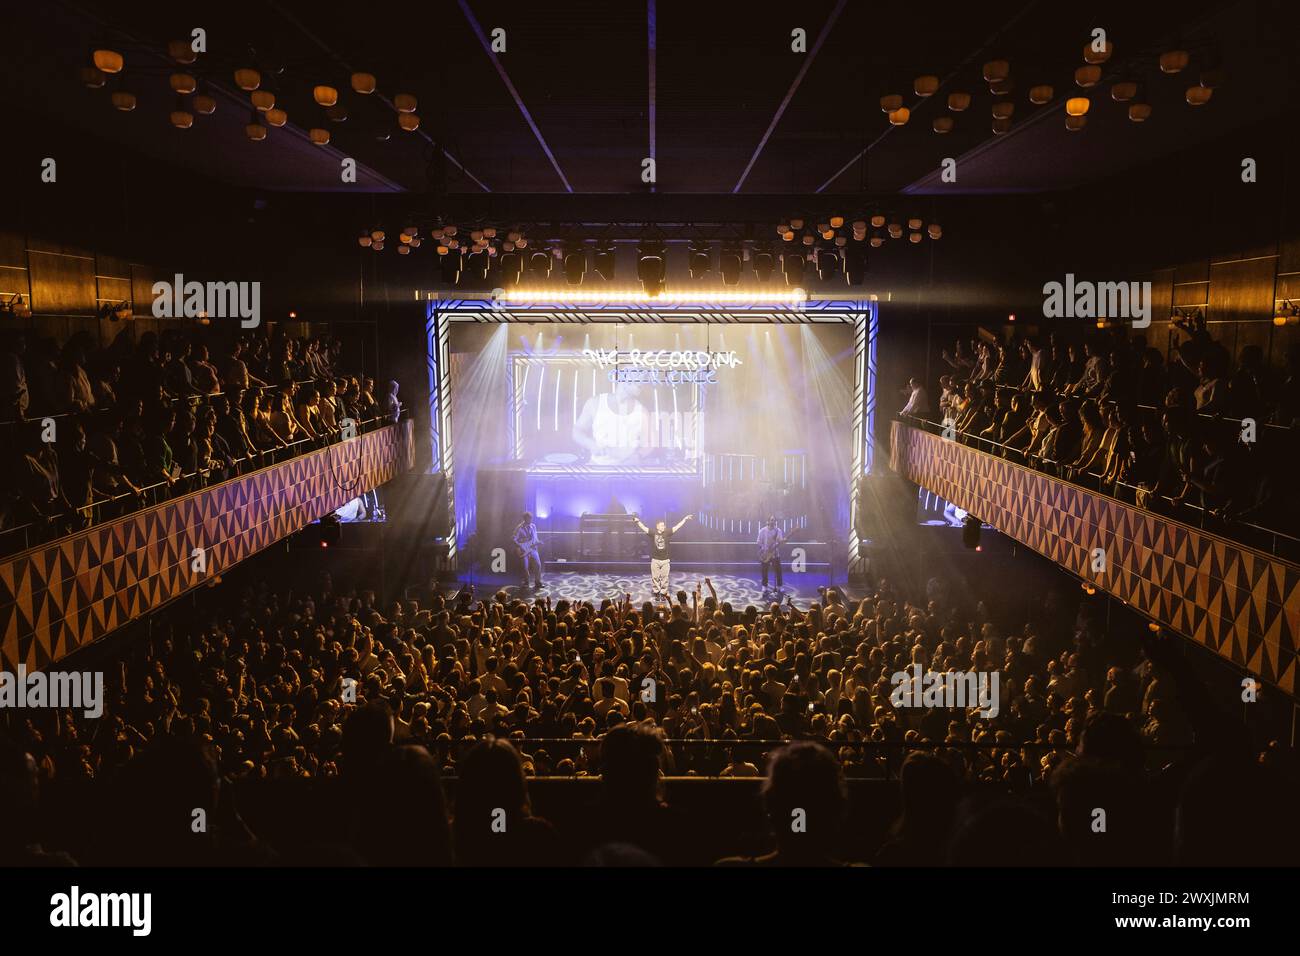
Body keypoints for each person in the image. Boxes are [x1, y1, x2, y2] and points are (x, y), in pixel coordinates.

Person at [572, 381, 649, 465]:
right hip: (597, 467)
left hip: (629, 470)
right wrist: (591, 444)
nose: (642, 382)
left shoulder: (642, 411)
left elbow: (649, 442)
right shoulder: (595, 403)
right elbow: (577, 430)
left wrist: (638, 456)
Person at [631, 513, 692, 601]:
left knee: (664, 578)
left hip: (665, 560)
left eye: (664, 525)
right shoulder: (653, 533)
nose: (664, 526)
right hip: (655, 559)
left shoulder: (667, 532)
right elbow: (644, 528)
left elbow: (677, 527)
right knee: (655, 577)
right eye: (662, 525)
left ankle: (663, 593)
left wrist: (685, 519)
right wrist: (638, 522)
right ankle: (656, 593)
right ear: (657, 526)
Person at [512, 512, 544, 590]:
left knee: (538, 565)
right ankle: (526, 582)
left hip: (533, 548)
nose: (530, 520)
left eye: (530, 518)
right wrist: (521, 544)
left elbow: (535, 537)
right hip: (524, 550)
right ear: (524, 519)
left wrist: (538, 542)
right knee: (525, 567)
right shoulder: (519, 528)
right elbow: (513, 539)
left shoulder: (533, 526)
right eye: (528, 518)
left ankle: (537, 582)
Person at [756, 516, 786, 595]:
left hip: (775, 553)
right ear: (768, 521)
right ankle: (764, 586)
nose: (773, 522)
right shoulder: (762, 531)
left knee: (778, 571)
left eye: (774, 520)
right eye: (771, 520)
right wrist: (764, 548)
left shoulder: (778, 531)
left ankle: (779, 586)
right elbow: (758, 541)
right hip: (765, 554)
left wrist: (783, 541)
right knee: (764, 571)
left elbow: (780, 541)